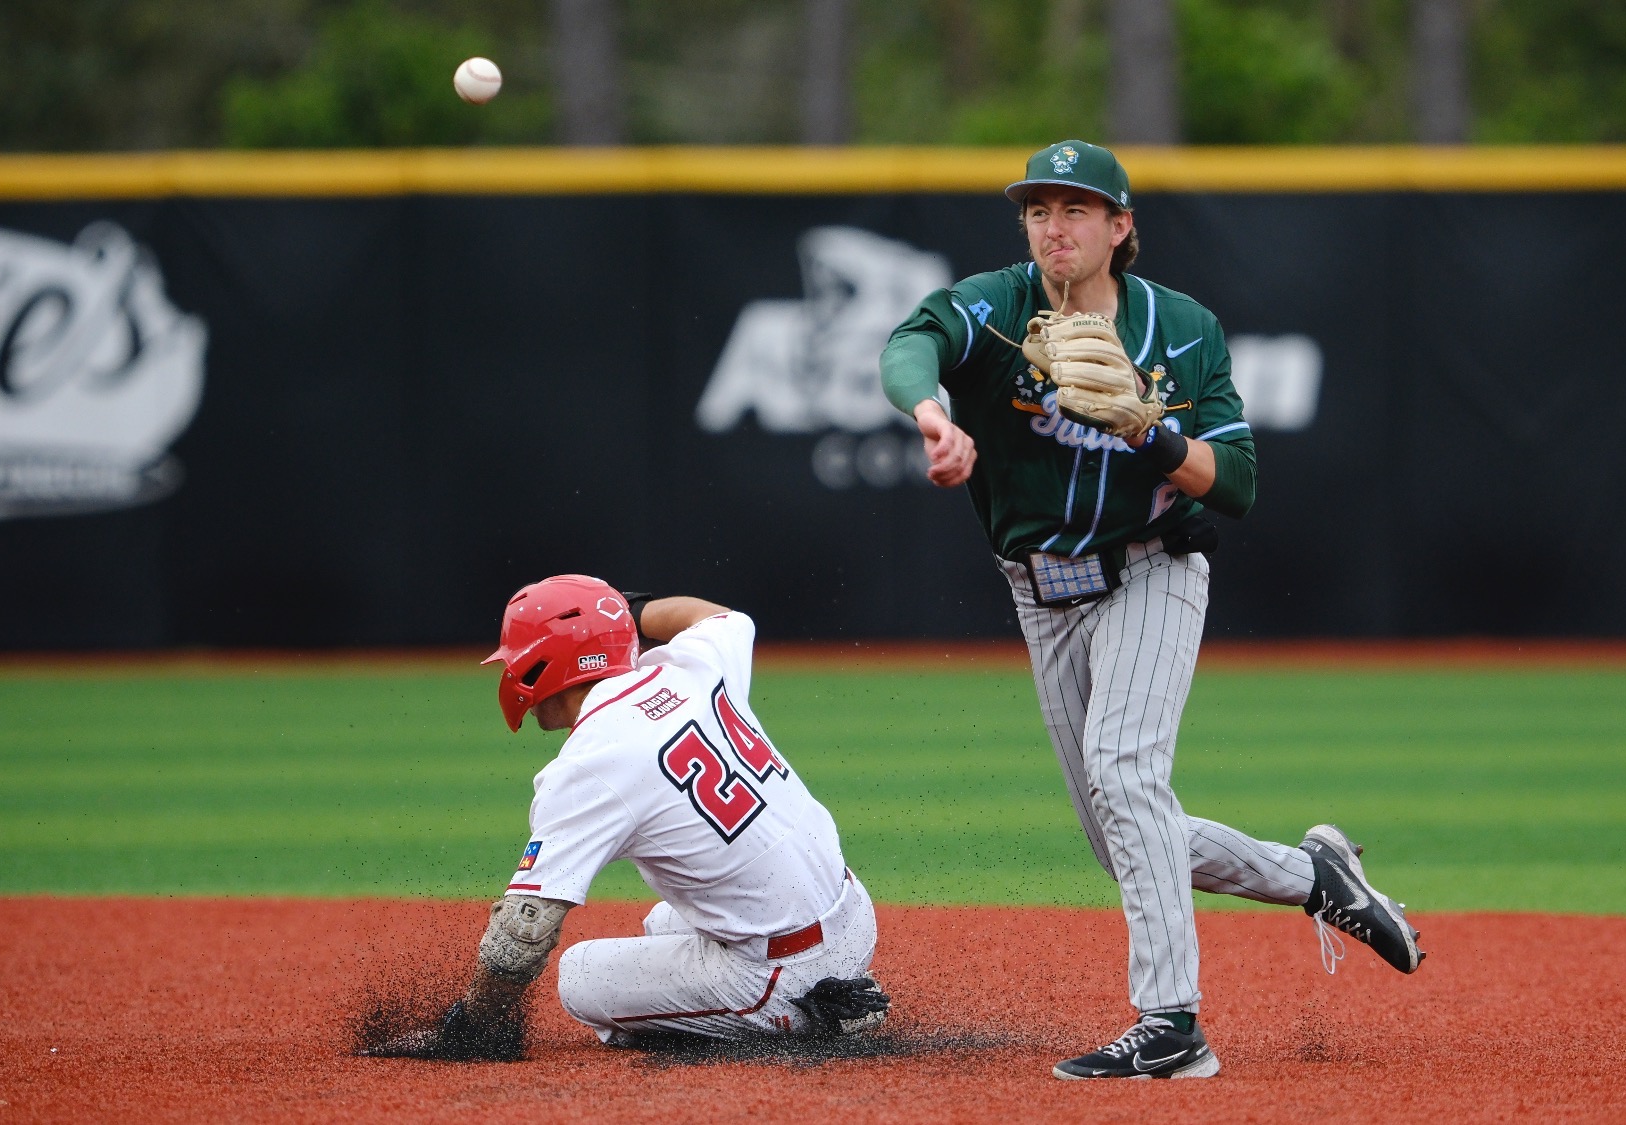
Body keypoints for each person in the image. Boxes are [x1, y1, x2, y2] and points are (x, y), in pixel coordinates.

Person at [878, 140, 1425, 1081]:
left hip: (1151, 570)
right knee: (1119, 836)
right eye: (1038, 210)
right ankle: (1314, 875)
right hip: (1041, 592)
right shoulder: (998, 307)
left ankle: (1172, 1024)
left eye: (1075, 209)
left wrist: (1148, 429)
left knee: (1127, 779)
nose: (1053, 227)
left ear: (1120, 225)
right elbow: (910, 344)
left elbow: (1237, 483)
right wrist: (931, 414)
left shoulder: (1182, 327)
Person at [364, 575, 888, 1060]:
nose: (510, 669)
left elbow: (524, 931)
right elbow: (724, 618)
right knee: (663, 923)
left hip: (778, 975)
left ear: (544, 664)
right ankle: (815, 988)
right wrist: (627, 614)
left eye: (517, 657)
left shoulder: (591, 762)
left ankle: (799, 1018)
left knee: (580, 977)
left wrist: (474, 1027)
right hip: (854, 919)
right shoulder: (688, 669)